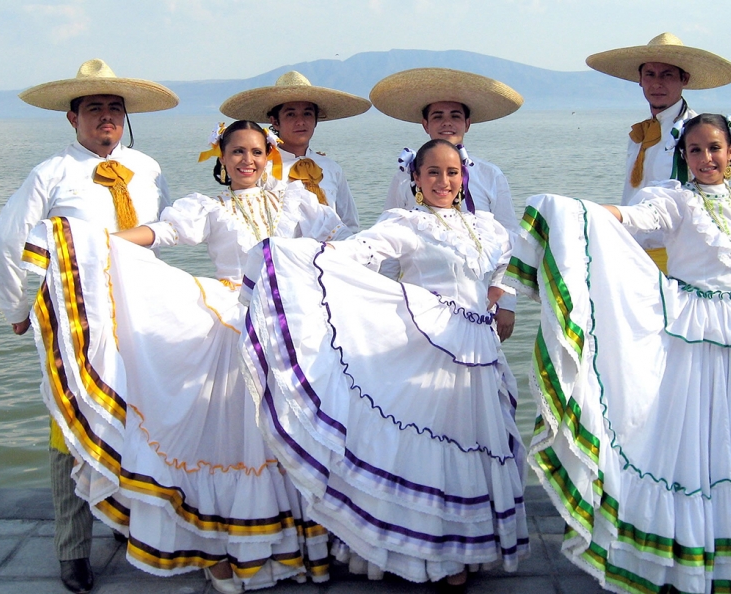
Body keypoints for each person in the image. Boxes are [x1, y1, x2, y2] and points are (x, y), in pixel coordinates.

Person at [22, 120, 353, 593]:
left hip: (287, 324)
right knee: (231, 438)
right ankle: (222, 549)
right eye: (237, 152)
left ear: (269, 155)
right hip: (230, 321)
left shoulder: (297, 200)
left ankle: (290, 547)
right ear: (221, 157)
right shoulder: (211, 209)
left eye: (256, 152)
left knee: (283, 433)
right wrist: (99, 244)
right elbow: (161, 233)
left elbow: (340, 239)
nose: (247, 161)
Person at [508, 114, 731, 593]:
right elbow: (632, 221)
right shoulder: (677, 201)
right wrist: (571, 210)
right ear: (683, 157)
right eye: (695, 150)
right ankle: (679, 552)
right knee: (688, 431)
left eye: (714, 148)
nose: (706, 158)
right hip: (690, 327)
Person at [239, 139, 529, 590]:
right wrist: (296, 256)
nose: (443, 181)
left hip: (477, 349)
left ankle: (470, 546)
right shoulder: (405, 224)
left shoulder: (487, 227)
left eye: (452, 173)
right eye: (432, 172)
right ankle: (436, 554)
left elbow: (495, 275)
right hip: (425, 346)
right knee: (433, 447)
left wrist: (500, 296)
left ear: (463, 176)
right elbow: (357, 254)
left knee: (474, 443)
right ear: (414, 178)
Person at [0, 58, 177, 594]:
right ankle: (73, 550)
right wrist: (16, 308)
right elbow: (8, 238)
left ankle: (126, 521)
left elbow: (164, 231)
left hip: (137, 314)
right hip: (72, 319)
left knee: (136, 416)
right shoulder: (52, 172)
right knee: (70, 427)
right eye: (94, 108)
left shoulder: (148, 168)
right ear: (72, 118)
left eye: (114, 108)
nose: (106, 118)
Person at [370, 67, 523, 341]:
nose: (447, 123)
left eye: (455, 116)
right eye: (437, 116)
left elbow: (512, 242)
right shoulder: (405, 178)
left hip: (481, 301)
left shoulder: (490, 175)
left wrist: (506, 302)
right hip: (420, 303)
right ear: (425, 125)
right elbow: (390, 242)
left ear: (468, 124)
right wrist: (383, 302)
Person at [586, 32, 731, 271]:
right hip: (633, 252)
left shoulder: (697, 133)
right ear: (640, 80)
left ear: (684, 79)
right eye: (650, 74)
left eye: (667, 75)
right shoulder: (639, 135)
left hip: (679, 257)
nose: (657, 83)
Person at [219, 71, 371, 231]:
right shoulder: (261, 168)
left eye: (307, 113)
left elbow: (349, 223)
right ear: (275, 121)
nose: (300, 122)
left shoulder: (331, 168)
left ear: (315, 120)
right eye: (291, 114)